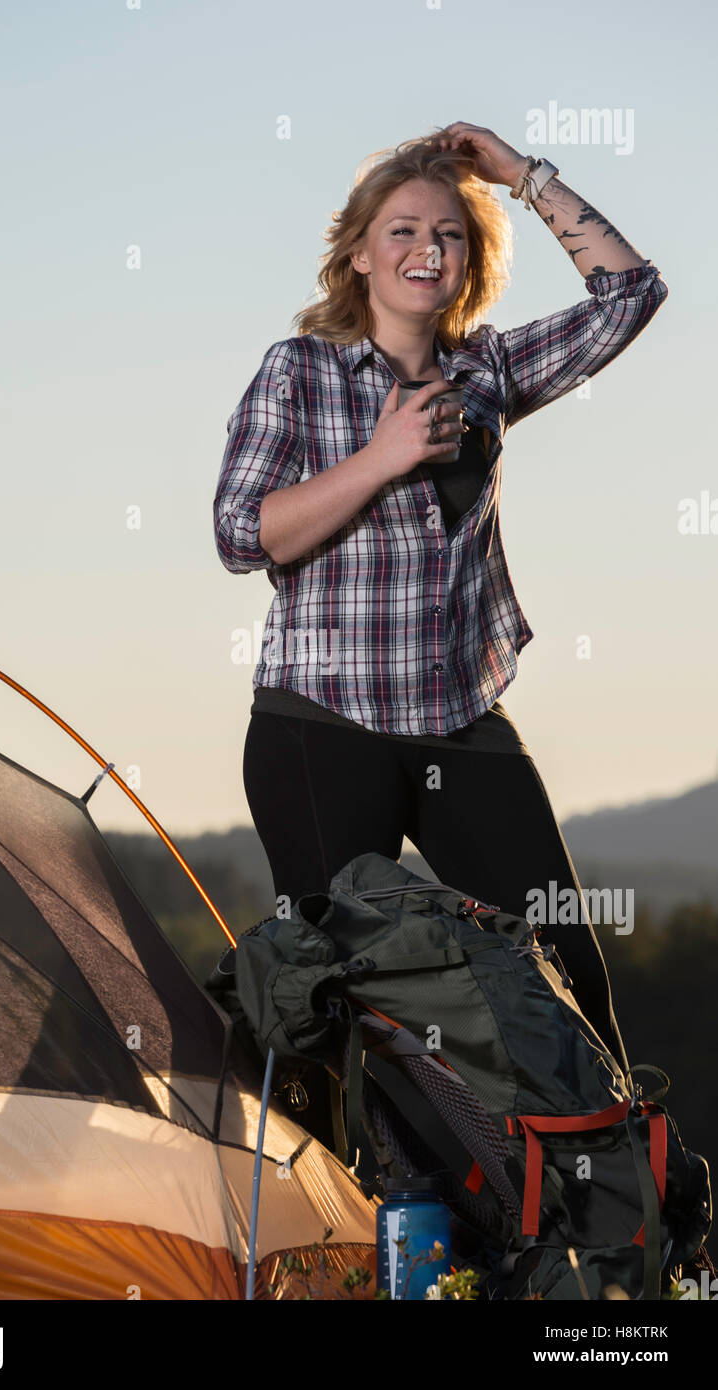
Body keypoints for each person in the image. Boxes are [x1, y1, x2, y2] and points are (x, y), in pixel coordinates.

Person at [213, 122, 668, 1133]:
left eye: (450, 233)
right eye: (403, 229)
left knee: (560, 965)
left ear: (468, 258)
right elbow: (241, 533)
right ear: (359, 254)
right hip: (317, 728)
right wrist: (378, 457)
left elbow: (630, 293)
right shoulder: (298, 372)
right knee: (325, 994)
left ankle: (614, 1211)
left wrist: (517, 176)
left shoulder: (487, 372)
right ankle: (316, 1235)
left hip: (457, 722)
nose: (427, 247)